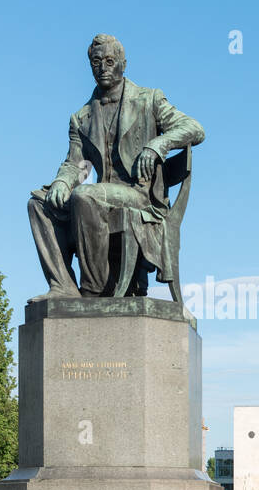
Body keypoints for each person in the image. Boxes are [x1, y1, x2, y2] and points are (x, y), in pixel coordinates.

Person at [26, 34, 206, 301]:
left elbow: (195, 129)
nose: (103, 67)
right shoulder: (81, 118)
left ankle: (96, 291)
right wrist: (63, 182)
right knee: (39, 204)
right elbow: (78, 164)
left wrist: (158, 144)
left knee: (85, 195)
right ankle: (64, 286)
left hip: (139, 196)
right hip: (101, 195)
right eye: (96, 61)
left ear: (123, 63)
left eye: (110, 61)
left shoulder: (149, 99)